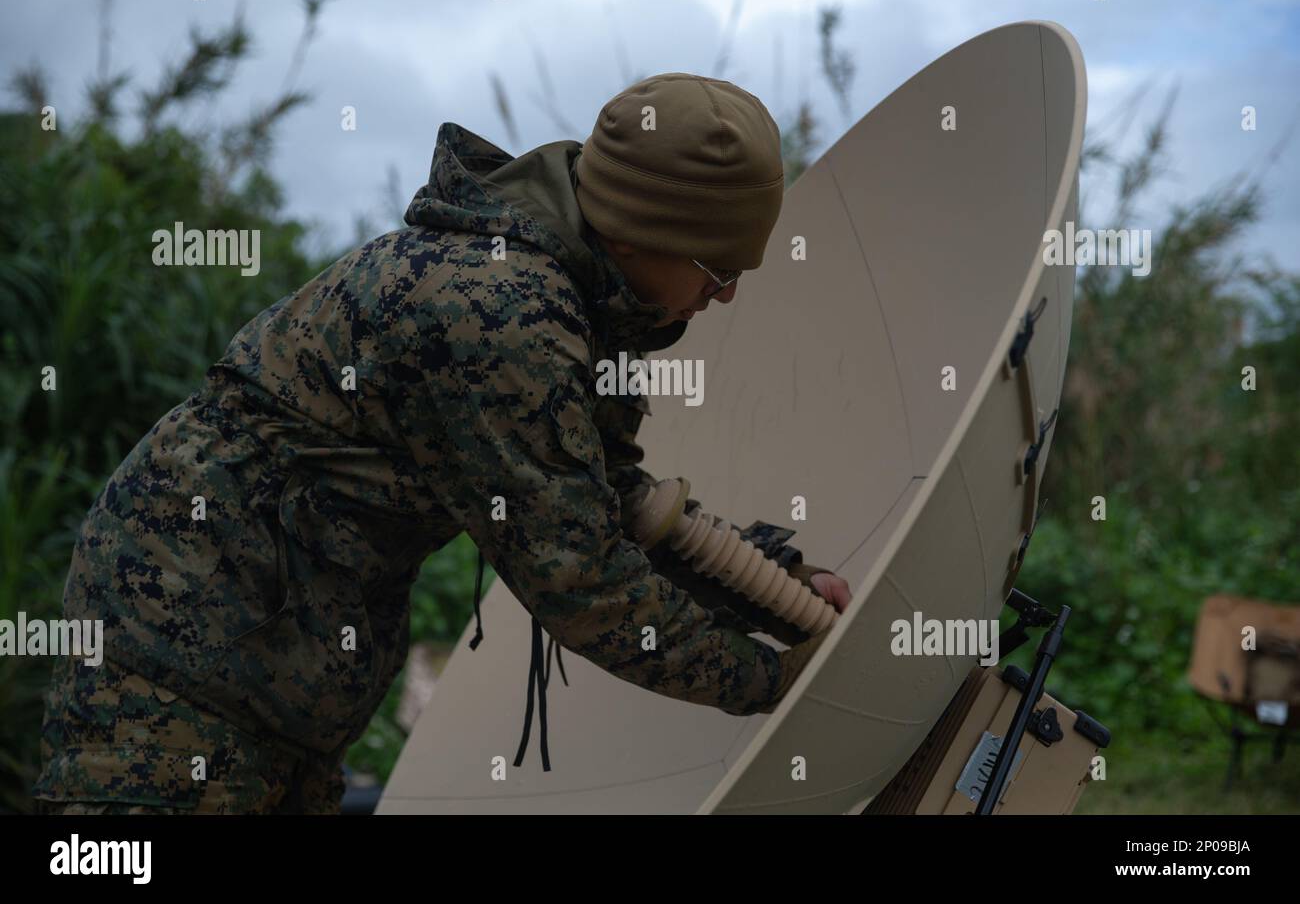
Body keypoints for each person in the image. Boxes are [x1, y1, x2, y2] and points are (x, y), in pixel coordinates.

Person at [33, 72, 852, 814]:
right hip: (177, 652)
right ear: (638, 232)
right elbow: (584, 580)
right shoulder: (500, 316)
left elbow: (612, 504)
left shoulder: (563, 294)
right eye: (717, 267)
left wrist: (774, 587)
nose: (729, 292)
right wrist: (771, 679)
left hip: (274, 665)